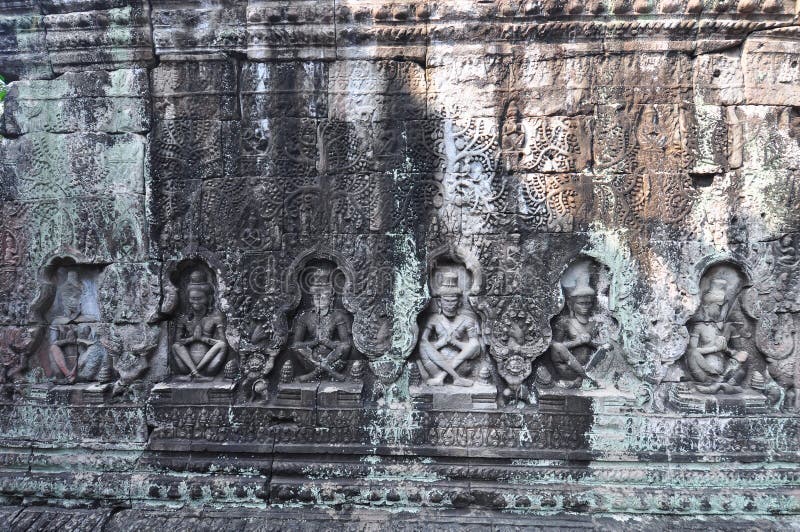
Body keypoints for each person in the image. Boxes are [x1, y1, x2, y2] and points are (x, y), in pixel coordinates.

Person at [417, 272, 481, 387]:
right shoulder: (434, 319)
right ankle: (453, 378)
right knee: (422, 343)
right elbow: (424, 343)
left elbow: (475, 349)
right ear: (439, 302)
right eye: (446, 301)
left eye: (453, 301)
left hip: (460, 366)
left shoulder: (467, 320)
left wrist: (456, 343)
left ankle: (442, 377)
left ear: (459, 302)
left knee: (476, 344)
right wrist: (440, 344)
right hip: (435, 365)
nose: (450, 305)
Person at [289, 266, 352, 382]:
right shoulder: (305, 316)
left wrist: (329, 343)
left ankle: (313, 374)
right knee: (296, 348)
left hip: (333, 357)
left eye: (324, 296)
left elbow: (345, 343)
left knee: (346, 346)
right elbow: (296, 343)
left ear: (331, 299)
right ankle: (328, 371)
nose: (320, 299)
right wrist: (314, 342)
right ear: (312, 300)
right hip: (311, 357)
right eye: (317, 297)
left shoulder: (338, 316)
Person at [171, 269, 228, 380]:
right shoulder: (184, 318)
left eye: (199, 298)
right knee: (175, 346)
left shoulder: (215, 316)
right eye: (192, 299)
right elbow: (178, 341)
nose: (195, 302)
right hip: (186, 364)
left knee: (222, 345)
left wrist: (202, 339)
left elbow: (222, 342)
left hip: (208, 366)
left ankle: (195, 373)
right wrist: (192, 339)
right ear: (188, 300)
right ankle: (194, 372)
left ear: (209, 298)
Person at [548, 282, 601, 388]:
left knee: (610, 346)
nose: (585, 306)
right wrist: (577, 342)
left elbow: (604, 346)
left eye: (588, 303)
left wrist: (591, 343)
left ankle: (581, 380)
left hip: (592, 367)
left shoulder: (597, 322)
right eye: (581, 303)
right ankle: (584, 378)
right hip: (569, 367)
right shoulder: (565, 322)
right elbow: (556, 346)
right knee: (556, 346)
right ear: (570, 304)